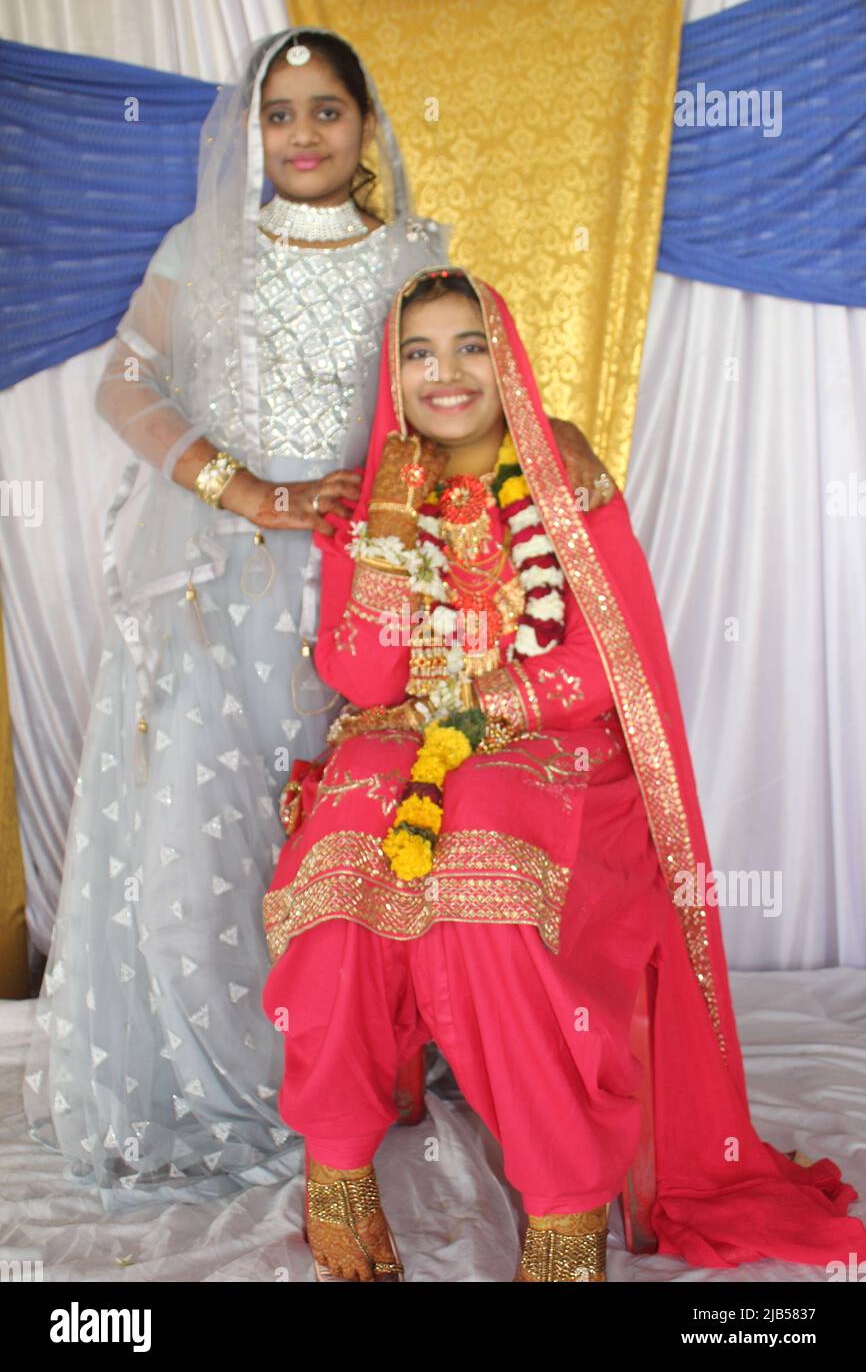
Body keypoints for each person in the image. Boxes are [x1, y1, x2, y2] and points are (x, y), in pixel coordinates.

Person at [260, 266, 866, 1282]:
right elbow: (359, 672)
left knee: (483, 886)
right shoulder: (379, 495)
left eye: (469, 347)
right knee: (341, 857)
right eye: (417, 353)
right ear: (391, 375)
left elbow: (601, 662)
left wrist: (483, 706)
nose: (445, 373)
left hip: (557, 748)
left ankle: (561, 1205)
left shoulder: (560, 479)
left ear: (507, 360)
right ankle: (338, 1165)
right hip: (405, 735)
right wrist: (390, 532)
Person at [21, 25, 458, 1210]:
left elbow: (454, 406)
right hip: (216, 586)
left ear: (367, 125)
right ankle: (216, 1071)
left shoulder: (415, 255)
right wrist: (247, 490)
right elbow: (125, 380)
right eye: (281, 112)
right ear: (252, 131)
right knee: (206, 828)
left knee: (347, 831)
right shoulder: (206, 247)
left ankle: (346, 1068)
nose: (304, 134)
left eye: (327, 110)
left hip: (367, 590)